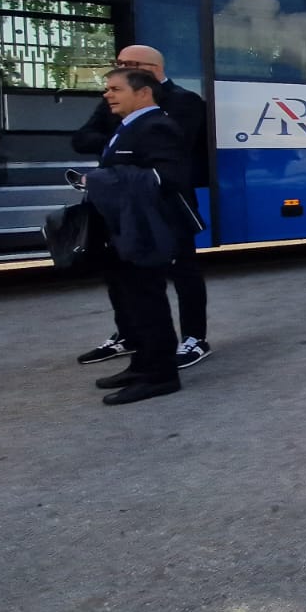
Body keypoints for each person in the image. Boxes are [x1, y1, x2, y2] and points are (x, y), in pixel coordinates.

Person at [72, 45, 212, 369]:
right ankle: (129, 335)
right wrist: (118, 141)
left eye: (127, 65)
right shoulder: (118, 99)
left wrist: (120, 143)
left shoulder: (183, 101)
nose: (118, 72)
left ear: (149, 69)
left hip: (167, 204)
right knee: (122, 273)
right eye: (118, 64)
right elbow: (82, 139)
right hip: (120, 204)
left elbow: (172, 153)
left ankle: (194, 338)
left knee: (183, 271)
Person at [83, 68, 195, 405]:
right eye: (107, 89)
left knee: (149, 302)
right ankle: (142, 365)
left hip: (145, 229)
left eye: (116, 88)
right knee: (131, 300)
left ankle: (161, 376)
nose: (108, 95)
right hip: (125, 227)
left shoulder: (157, 126)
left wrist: (98, 181)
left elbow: (167, 178)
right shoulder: (129, 126)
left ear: (143, 93)